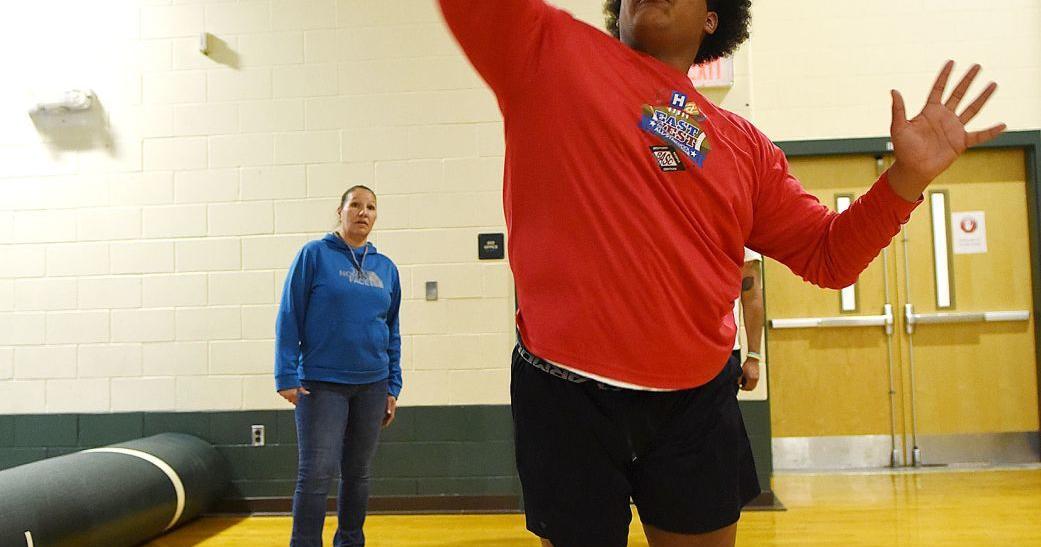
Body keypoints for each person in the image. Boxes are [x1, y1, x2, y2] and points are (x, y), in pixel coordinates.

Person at [437, 0, 1004, 545]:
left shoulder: (743, 147)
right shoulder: (550, 53)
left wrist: (905, 181)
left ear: (713, 17)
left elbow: (829, 256)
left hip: (694, 404)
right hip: (565, 394)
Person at [274, 185, 403, 547]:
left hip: (372, 386)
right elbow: (289, 315)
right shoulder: (314, 255)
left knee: (358, 474)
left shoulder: (386, 268)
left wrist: (393, 387)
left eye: (371, 207)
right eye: (356, 205)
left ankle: (349, 541)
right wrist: (285, 374)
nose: (364, 213)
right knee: (316, 474)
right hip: (321, 384)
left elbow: (392, 330)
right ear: (340, 211)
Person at [736, 249, 763, 392]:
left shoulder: (740, 228)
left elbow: (751, 296)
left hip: (723, 352)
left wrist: (753, 356)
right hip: (666, 350)